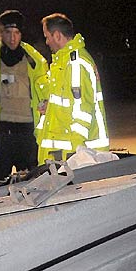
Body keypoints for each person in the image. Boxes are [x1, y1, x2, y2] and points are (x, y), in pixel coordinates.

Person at [0, 10, 46, 183]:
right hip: (1, 135)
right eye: (8, 32)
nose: (12, 38)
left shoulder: (34, 60)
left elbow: (45, 92)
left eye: (16, 33)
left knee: (32, 187)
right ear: (1, 33)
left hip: (27, 135)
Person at [36, 13, 110, 164]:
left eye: (47, 36)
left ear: (57, 35)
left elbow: (82, 108)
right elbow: (66, 102)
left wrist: (78, 151)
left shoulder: (76, 63)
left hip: (75, 152)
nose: (47, 41)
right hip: (64, 152)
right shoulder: (62, 62)